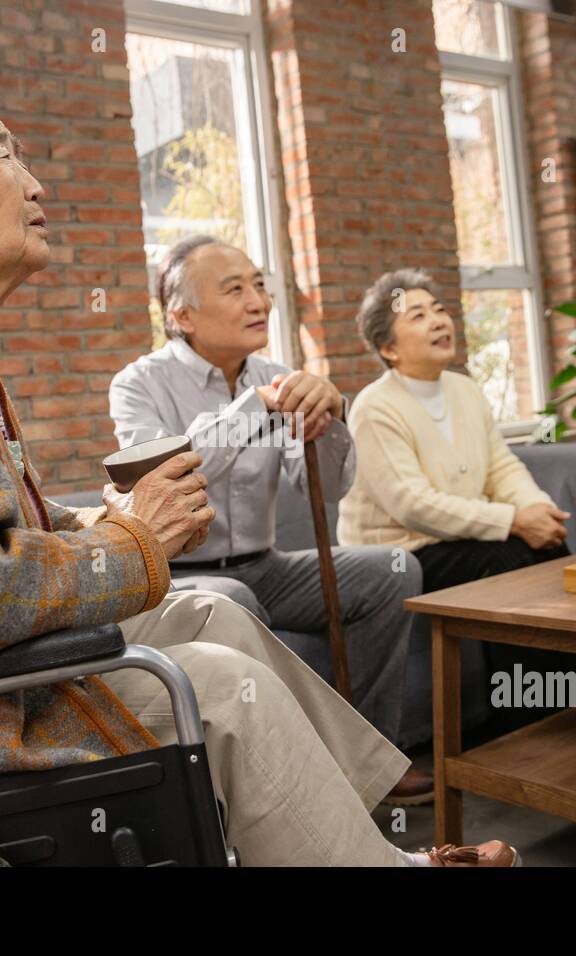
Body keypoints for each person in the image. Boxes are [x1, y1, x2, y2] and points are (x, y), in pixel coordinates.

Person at [0, 81, 511, 865]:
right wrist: (133, 539)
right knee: (220, 686)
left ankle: (364, 847)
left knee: (215, 618)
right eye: (3, 156)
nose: (35, 182)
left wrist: (87, 524)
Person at [109, 235, 432, 805]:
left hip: (269, 565)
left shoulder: (280, 374)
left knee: (392, 572)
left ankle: (371, 759)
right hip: (180, 577)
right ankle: (300, 780)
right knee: (230, 596)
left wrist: (328, 420)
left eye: (260, 284)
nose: (257, 299)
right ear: (181, 314)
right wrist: (255, 407)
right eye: (234, 289)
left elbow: (326, 488)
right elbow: (163, 475)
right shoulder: (140, 384)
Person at [339, 268, 576, 736]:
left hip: (461, 538)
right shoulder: (374, 408)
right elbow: (413, 505)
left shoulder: (464, 389)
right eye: (417, 315)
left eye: (439, 309)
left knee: (553, 550)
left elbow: (502, 467)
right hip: (401, 554)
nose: (439, 320)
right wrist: (512, 521)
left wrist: (536, 509)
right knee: (509, 561)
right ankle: (522, 727)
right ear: (389, 347)